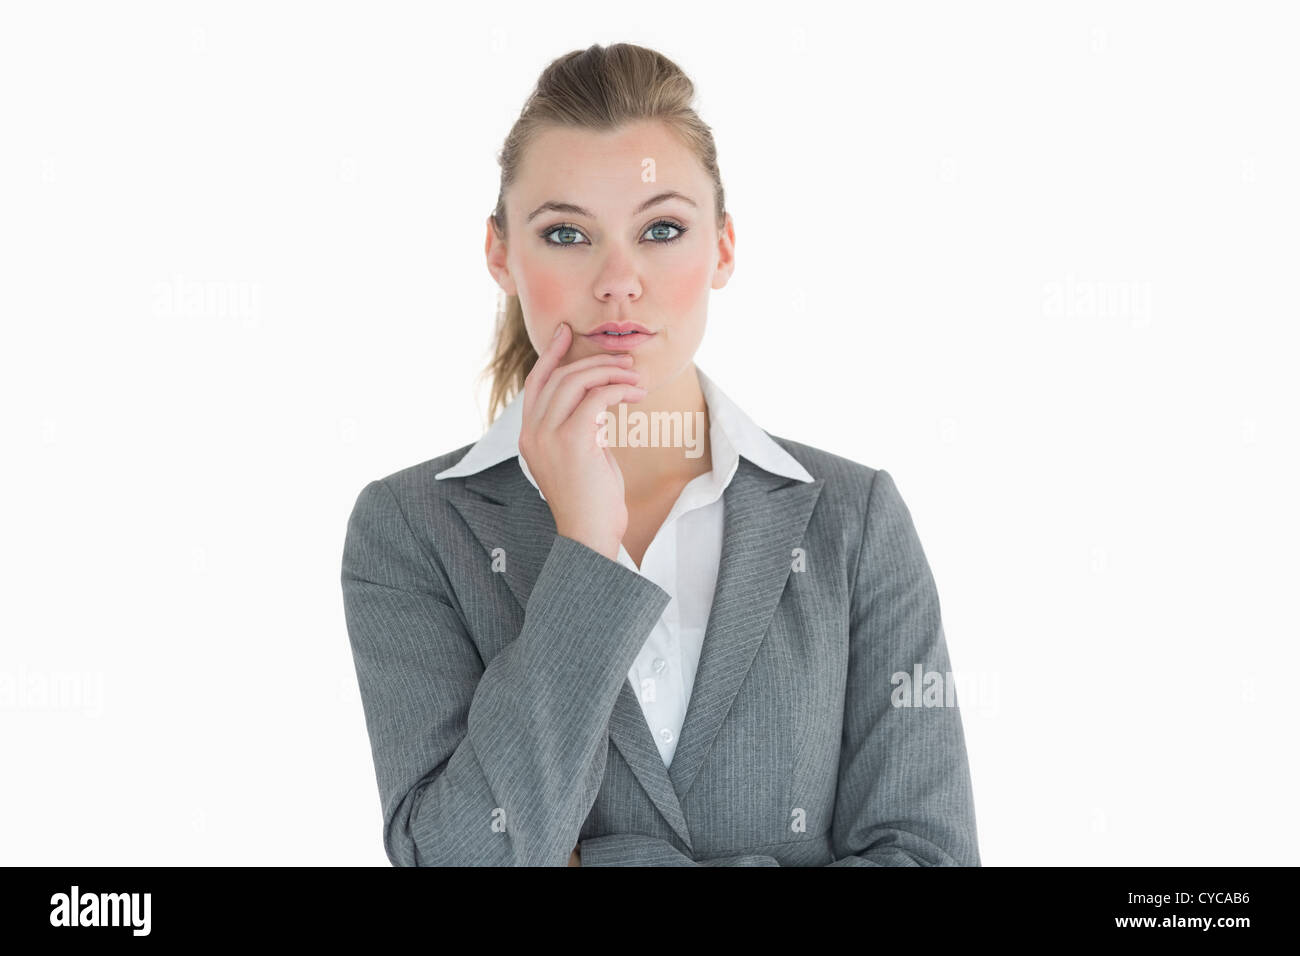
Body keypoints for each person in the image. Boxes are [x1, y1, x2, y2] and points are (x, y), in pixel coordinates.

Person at [340, 42, 980, 866]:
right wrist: (583, 550)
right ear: (500, 254)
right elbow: (457, 857)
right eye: (566, 233)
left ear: (723, 248)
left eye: (663, 230)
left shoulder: (853, 520)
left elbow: (929, 857)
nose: (618, 280)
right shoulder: (409, 528)